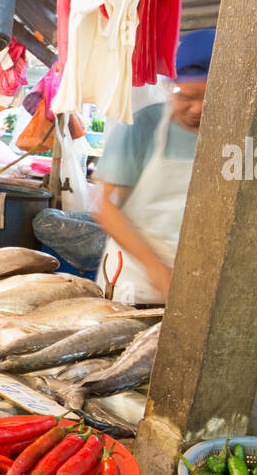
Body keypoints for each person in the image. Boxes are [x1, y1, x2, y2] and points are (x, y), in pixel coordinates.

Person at [91, 28, 215, 303]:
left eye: (209, 97)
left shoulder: (231, 135)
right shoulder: (142, 126)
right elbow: (102, 204)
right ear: (170, 86)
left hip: (196, 285)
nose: (197, 108)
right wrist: (155, 267)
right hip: (133, 279)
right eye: (185, 95)